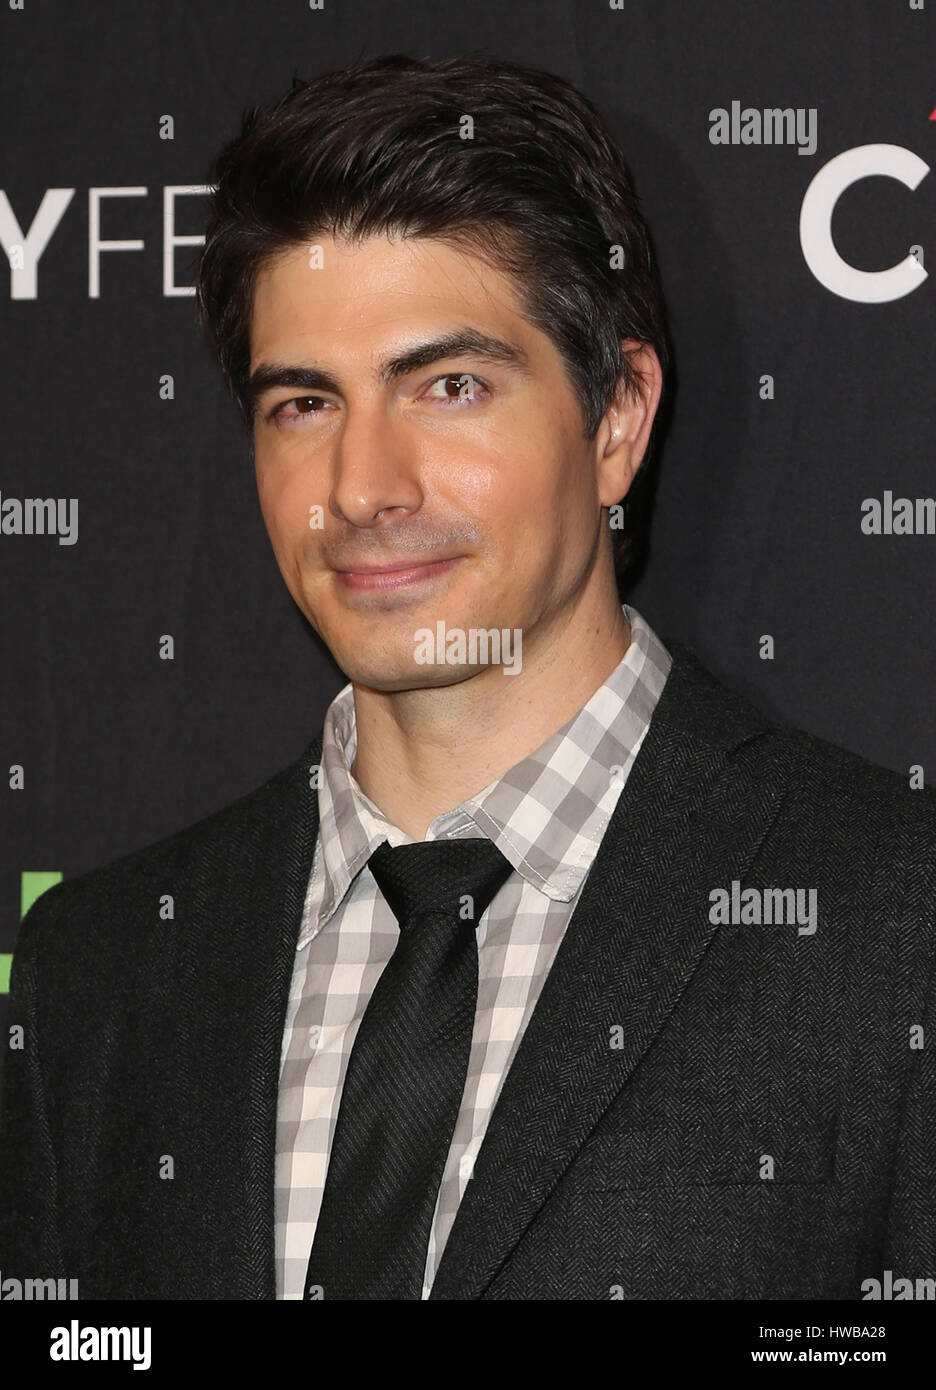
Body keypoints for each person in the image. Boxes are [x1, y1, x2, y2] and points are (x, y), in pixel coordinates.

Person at [1, 53, 934, 1302]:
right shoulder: (96, 971)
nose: (363, 487)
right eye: (302, 403)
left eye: (448, 386)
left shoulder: (895, 920)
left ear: (617, 421)